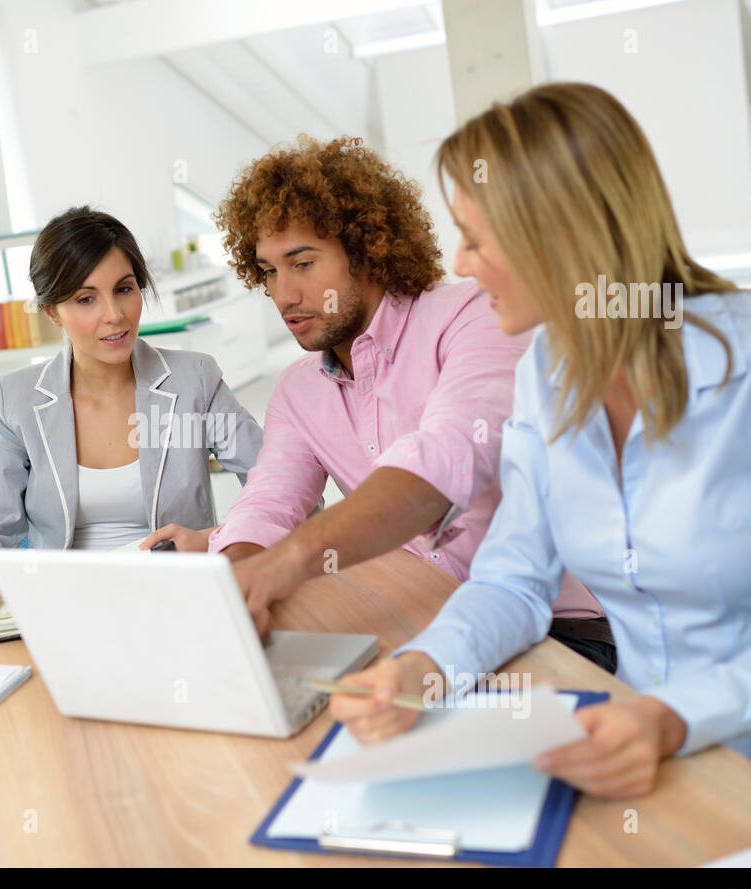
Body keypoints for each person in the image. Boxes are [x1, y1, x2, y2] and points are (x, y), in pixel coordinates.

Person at [333, 82, 751, 805]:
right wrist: (422, 668)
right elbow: (514, 577)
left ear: (556, 232)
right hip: (632, 766)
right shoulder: (546, 372)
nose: (461, 264)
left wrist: (672, 719)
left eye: (475, 237)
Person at [143, 135, 604, 657]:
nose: (283, 295)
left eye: (303, 263)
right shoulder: (298, 390)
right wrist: (238, 579)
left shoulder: (475, 316)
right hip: (423, 619)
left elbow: (441, 465)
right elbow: (268, 503)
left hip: (552, 629)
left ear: (365, 251)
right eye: (268, 271)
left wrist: (286, 563)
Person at [0, 207, 262, 637]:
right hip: (66, 613)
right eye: (86, 299)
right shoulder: (16, 398)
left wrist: (215, 539)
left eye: (124, 289)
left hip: (180, 604)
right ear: (51, 312)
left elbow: (284, 492)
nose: (114, 314)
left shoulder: (194, 379)